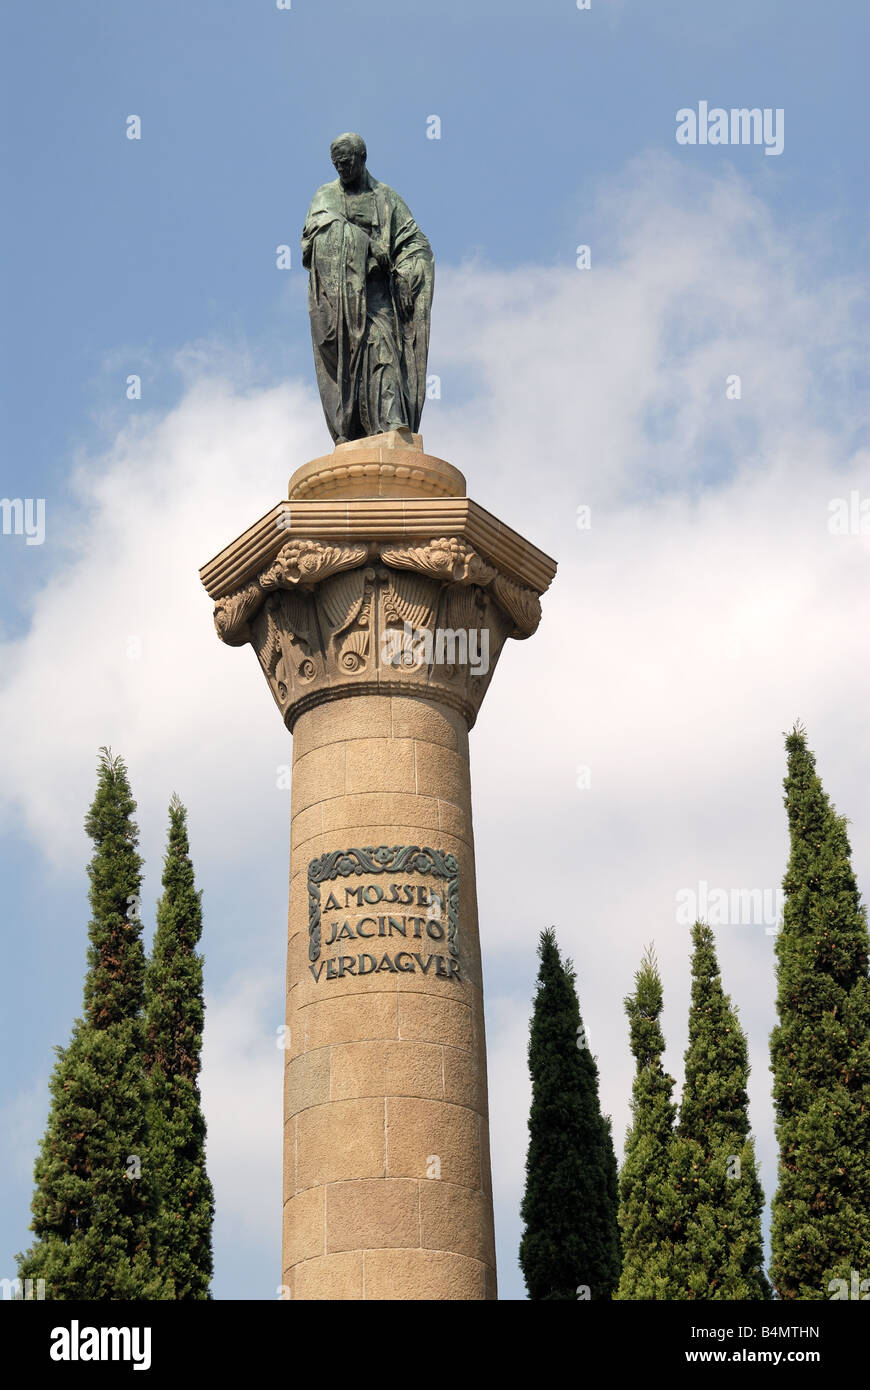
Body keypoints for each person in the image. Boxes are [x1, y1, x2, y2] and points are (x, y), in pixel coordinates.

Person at [301, 133, 434, 443]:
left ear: (361, 160)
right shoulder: (325, 196)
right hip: (342, 305)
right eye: (337, 165)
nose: (342, 171)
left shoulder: (386, 199)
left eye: (347, 164)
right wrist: (365, 246)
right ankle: (353, 427)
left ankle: (392, 424)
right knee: (353, 365)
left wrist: (404, 273)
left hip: (377, 297)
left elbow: (416, 244)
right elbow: (312, 240)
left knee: (383, 351)